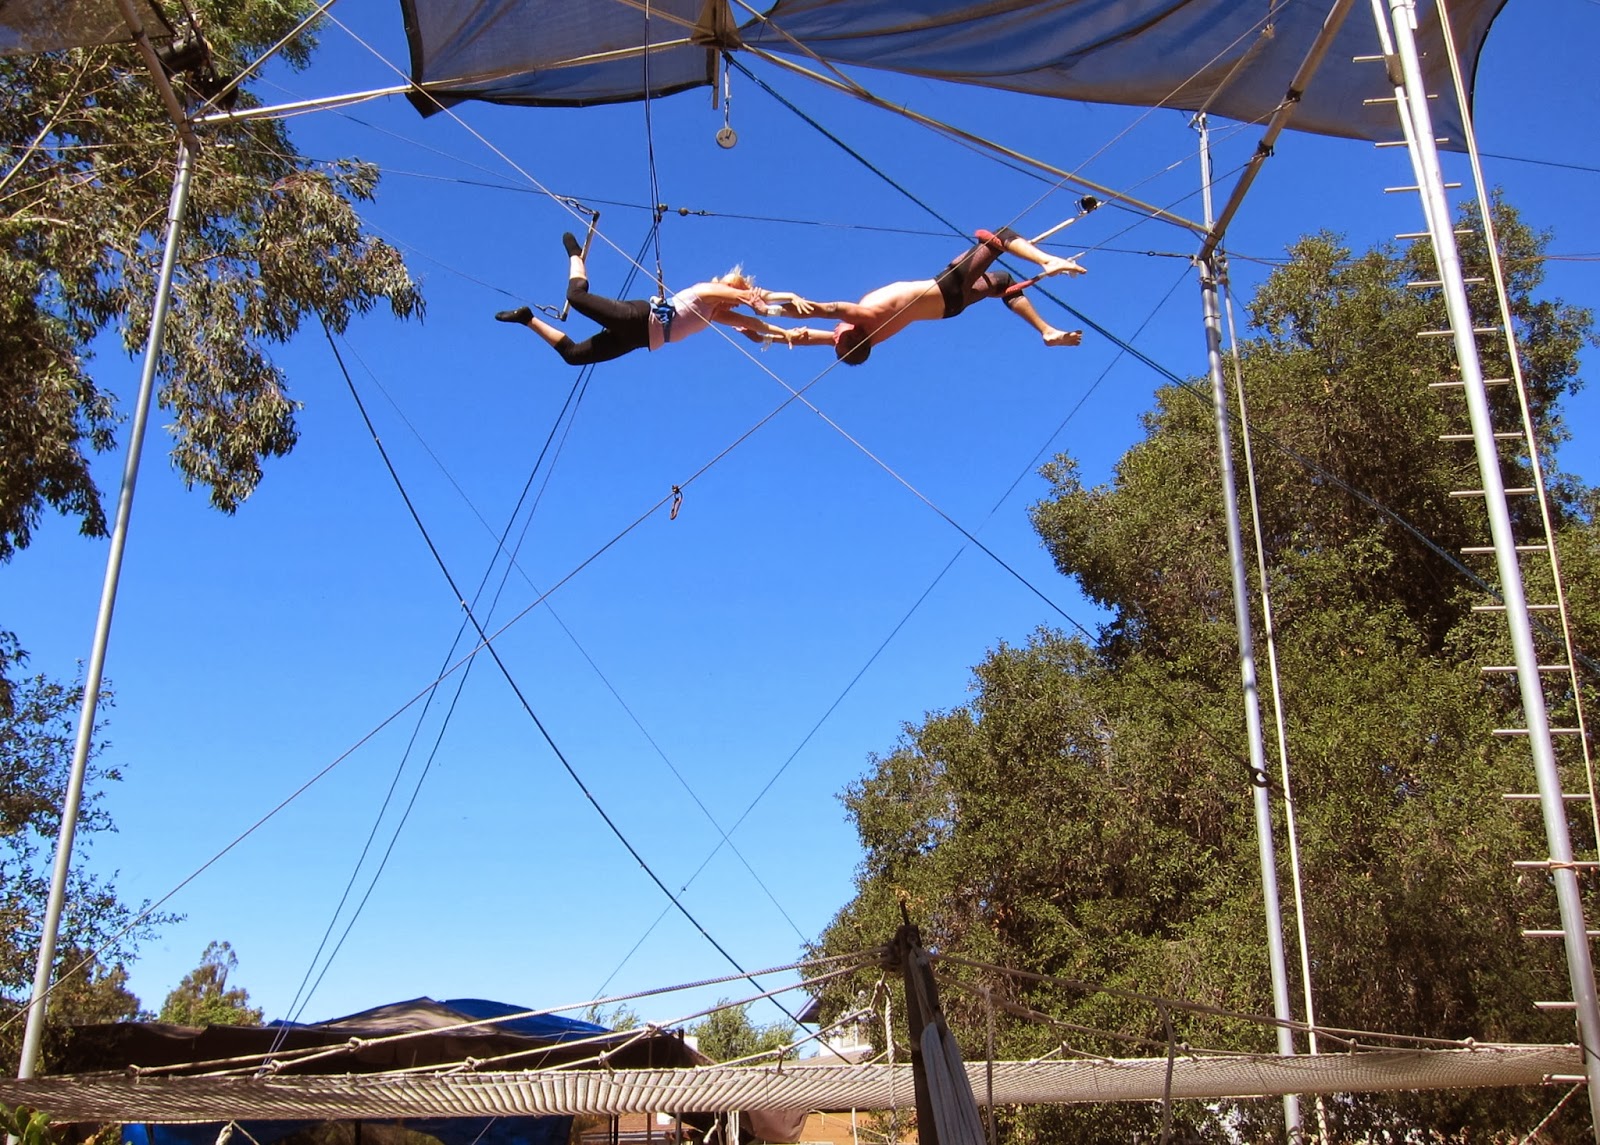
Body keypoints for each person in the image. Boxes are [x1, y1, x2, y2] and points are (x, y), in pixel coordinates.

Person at [763, 226, 1086, 365]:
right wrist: (771, 303)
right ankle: (1048, 260)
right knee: (998, 237)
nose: (833, 336)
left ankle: (1046, 331)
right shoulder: (863, 319)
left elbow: (800, 338)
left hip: (949, 309)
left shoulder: (861, 339)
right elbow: (823, 310)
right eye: (838, 337)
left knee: (1002, 282)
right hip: (944, 287)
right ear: (852, 332)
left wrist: (754, 328)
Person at [495, 232, 794, 365]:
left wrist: (784, 333)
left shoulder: (716, 314)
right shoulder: (707, 290)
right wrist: (769, 299)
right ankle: (575, 253)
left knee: (574, 357)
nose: (733, 302)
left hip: (638, 340)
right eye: (733, 294)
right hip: (639, 317)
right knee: (575, 295)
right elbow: (742, 298)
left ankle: (527, 318)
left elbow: (753, 323)